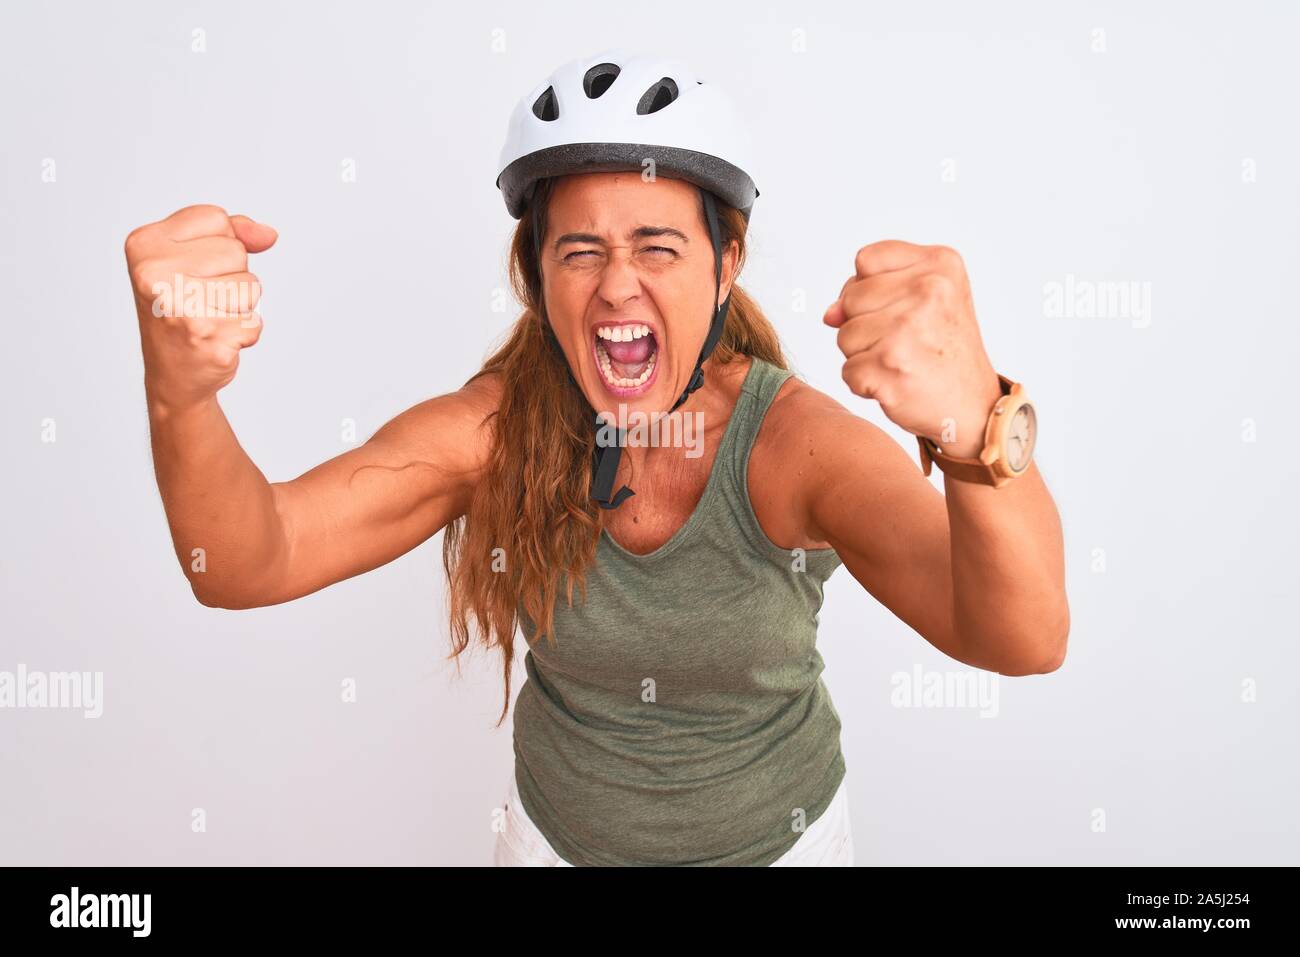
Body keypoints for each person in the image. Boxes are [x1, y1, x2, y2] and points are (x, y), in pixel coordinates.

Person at [122, 49, 1069, 867]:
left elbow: (1021, 638)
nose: (617, 283)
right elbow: (246, 561)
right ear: (537, 271)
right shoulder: (496, 430)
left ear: (725, 260)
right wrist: (181, 393)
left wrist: (977, 427)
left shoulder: (792, 447)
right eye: (579, 251)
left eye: (657, 246)